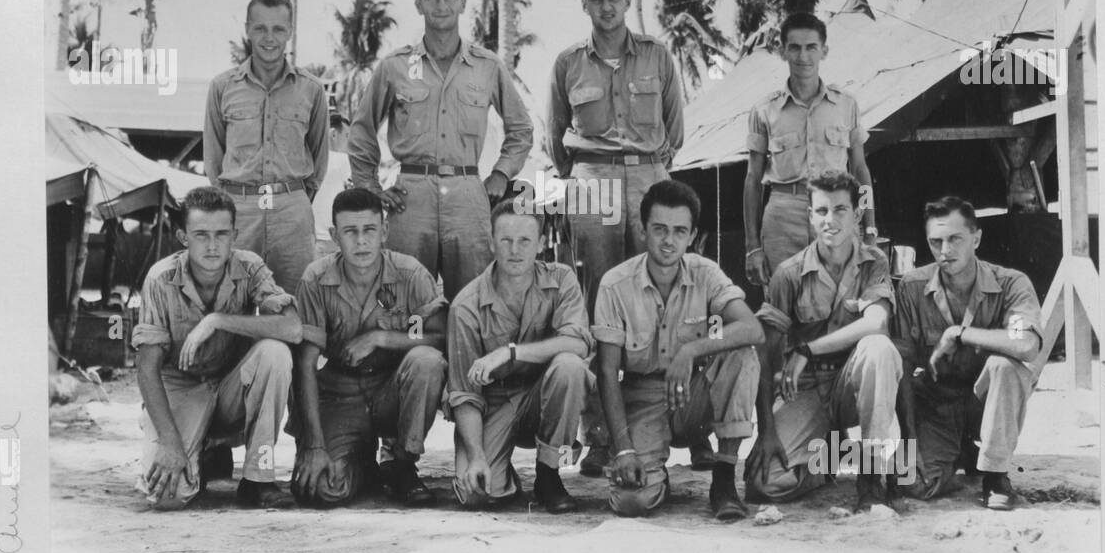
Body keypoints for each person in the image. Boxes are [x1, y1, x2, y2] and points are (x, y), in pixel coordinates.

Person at [547, 0, 685, 476]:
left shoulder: (657, 56)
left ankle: (651, 426)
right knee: (595, 303)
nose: (606, 7)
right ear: (584, 4)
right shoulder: (568, 64)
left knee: (652, 300)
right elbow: (555, 136)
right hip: (592, 184)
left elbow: (675, 128)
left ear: (627, 1)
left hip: (648, 177)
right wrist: (588, 173)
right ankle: (599, 435)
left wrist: (642, 166)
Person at [346, 0, 534, 297]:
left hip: (468, 195)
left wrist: (501, 175)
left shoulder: (487, 67)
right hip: (410, 198)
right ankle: (411, 352)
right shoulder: (396, 66)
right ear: (419, 4)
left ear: (463, 2)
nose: (442, 6)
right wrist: (370, 188)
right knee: (404, 298)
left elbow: (520, 129)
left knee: (476, 297)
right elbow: (361, 131)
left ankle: (473, 352)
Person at [592, 180, 763, 520]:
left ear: (693, 236)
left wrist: (691, 352)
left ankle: (724, 477)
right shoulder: (615, 284)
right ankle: (657, 477)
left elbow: (752, 328)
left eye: (679, 231)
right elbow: (607, 372)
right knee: (632, 502)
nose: (669, 241)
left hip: (692, 396)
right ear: (642, 231)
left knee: (742, 353)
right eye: (659, 229)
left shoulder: (705, 272)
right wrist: (624, 448)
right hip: (641, 399)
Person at [134, 186, 302, 510]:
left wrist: (217, 320)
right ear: (183, 237)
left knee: (274, 352)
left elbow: (292, 329)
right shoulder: (160, 279)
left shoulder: (249, 267)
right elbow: (146, 369)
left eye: (221, 234)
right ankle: (203, 452)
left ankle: (258, 480)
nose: (212, 246)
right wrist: (170, 442)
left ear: (235, 235)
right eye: (201, 235)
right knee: (169, 498)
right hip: (181, 388)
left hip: (228, 388)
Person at [745, 170, 902, 512]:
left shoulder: (874, 263)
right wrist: (767, 432)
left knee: (879, 348)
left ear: (857, 215)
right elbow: (766, 354)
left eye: (840, 210)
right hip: (806, 388)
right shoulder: (789, 273)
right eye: (821, 211)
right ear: (810, 217)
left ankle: (871, 476)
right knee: (766, 484)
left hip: (852, 383)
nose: (830, 221)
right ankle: (826, 460)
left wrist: (807, 348)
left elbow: (875, 322)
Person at [291, 188, 448, 508]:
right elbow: (306, 364)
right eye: (350, 231)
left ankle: (402, 464)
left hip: (391, 391)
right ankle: (361, 462)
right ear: (335, 235)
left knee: (426, 361)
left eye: (369, 230)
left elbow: (437, 336)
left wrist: (381, 337)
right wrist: (314, 446)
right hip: (339, 396)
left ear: (385, 231)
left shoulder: (410, 274)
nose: (361, 241)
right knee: (323, 490)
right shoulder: (316, 279)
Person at [894, 197, 1043, 510]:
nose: (945, 251)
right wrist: (909, 441)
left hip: (985, 400)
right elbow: (903, 367)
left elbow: (1025, 343)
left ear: (976, 238)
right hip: (937, 403)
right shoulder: (911, 288)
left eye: (955, 239)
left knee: (1005, 366)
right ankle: (961, 451)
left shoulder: (1011, 284)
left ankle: (996, 474)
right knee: (912, 484)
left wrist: (960, 334)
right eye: (936, 241)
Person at [447, 200, 594, 513]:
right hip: (494, 405)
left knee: (569, 366)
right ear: (491, 242)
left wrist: (510, 352)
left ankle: (549, 474)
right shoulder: (466, 306)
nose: (515, 250)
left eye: (525, 240)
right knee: (478, 493)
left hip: (543, 398)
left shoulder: (562, 279)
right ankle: (501, 469)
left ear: (541, 244)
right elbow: (464, 394)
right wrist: (476, 456)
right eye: (506, 240)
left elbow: (580, 343)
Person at [204, 0, 329, 296]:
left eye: (278, 29)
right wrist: (234, 202)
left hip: (291, 210)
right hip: (239, 207)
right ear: (247, 29)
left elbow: (318, 156)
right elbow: (213, 157)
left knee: (295, 301)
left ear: (290, 32)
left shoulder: (311, 89)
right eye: (260, 28)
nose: (269, 38)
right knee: (231, 296)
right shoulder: (222, 87)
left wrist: (292, 199)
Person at [743, 12, 875, 287]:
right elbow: (752, 179)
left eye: (811, 47)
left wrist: (870, 227)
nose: (803, 56)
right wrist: (752, 245)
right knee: (781, 302)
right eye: (794, 47)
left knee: (840, 298)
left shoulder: (846, 105)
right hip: (783, 213)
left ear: (824, 51)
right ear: (782, 52)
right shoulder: (764, 110)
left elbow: (860, 169)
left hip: (835, 210)